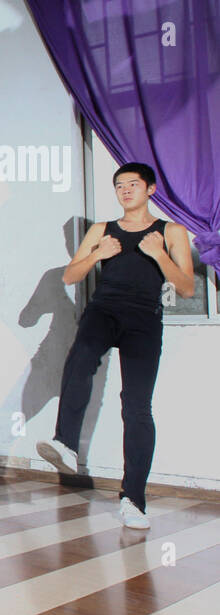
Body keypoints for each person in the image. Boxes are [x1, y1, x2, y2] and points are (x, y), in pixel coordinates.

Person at [36, 163, 193, 530]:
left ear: (150, 189)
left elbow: (186, 287)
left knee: (137, 407)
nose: (125, 190)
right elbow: (71, 275)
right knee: (81, 358)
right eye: (119, 185)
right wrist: (96, 254)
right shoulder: (102, 230)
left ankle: (133, 500)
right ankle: (66, 444)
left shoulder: (170, 231)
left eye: (133, 185)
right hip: (103, 311)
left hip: (144, 320)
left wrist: (159, 255)